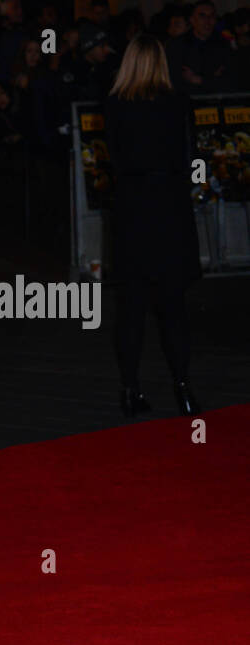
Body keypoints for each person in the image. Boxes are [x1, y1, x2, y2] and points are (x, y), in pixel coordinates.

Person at [104, 35, 202, 417]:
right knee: (173, 307)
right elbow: (189, 156)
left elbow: (116, 158)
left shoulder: (114, 105)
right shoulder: (178, 104)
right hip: (169, 206)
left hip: (132, 207)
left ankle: (130, 389)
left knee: (131, 308)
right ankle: (183, 387)